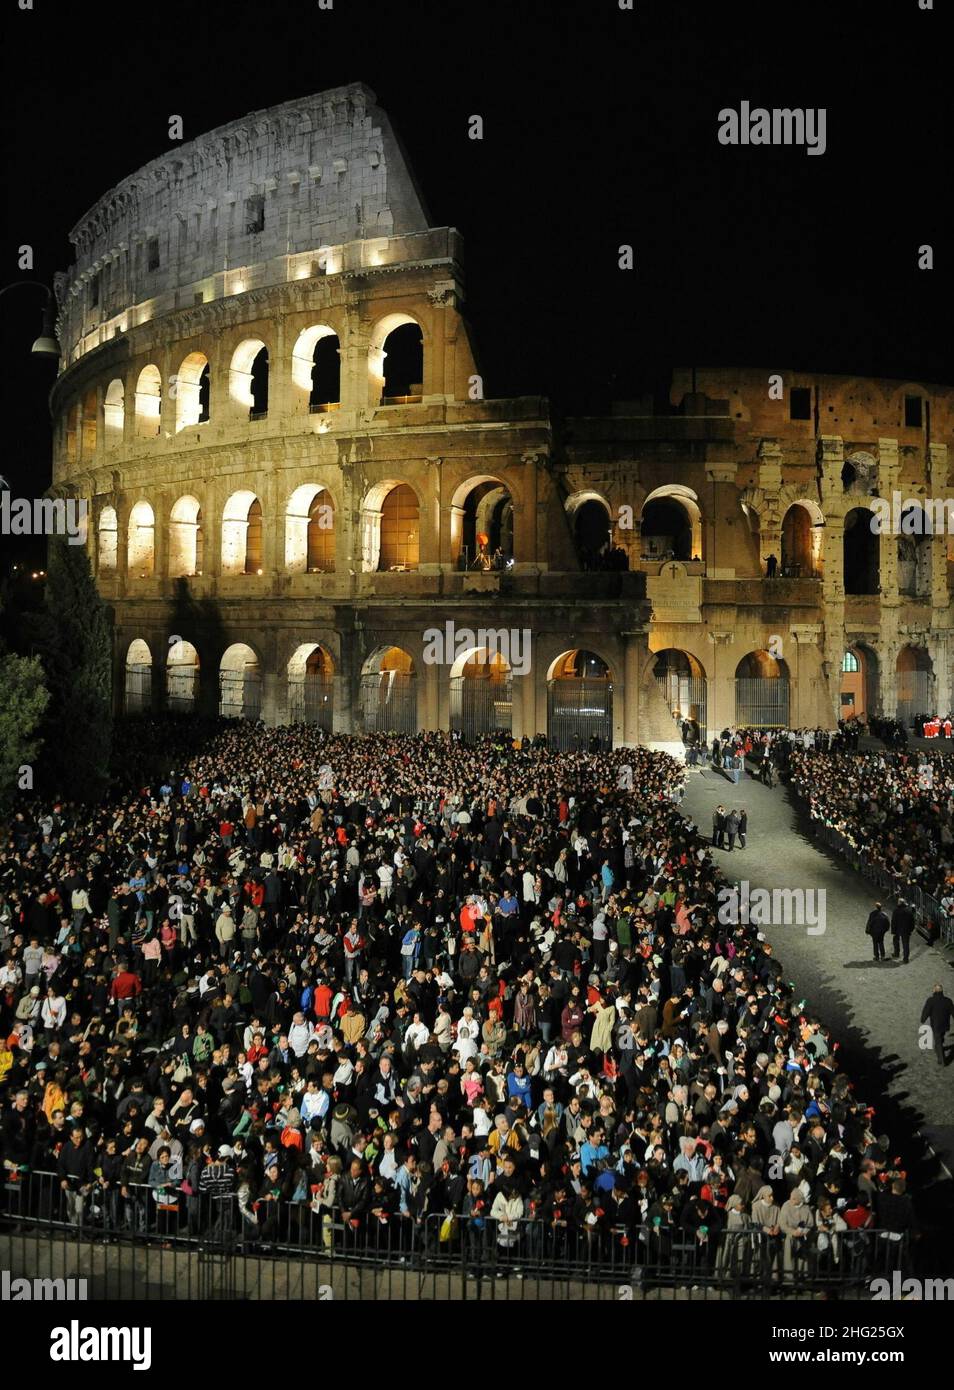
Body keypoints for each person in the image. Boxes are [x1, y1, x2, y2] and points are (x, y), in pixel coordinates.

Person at [920, 984, 954, 1068]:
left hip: (936, 1025)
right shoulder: (948, 1000)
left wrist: (923, 1019)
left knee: (938, 1042)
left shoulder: (931, 1000)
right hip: (945, 1025)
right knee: (940, 1039)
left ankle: (942, 1061)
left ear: (934, 990)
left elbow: (926, 1011)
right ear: (942, 991)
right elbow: (953, 1012)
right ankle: (939, 1052)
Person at [890, 898, 915, 964]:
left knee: (896, 941)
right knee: (906, 944)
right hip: (906, 930)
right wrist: (911, 929)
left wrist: (893, 930)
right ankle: (906, 958)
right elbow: (912, 922)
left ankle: (896, 953)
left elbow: (893, 921)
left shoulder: (896, 910)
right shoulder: (908, 911)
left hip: (898, 929)